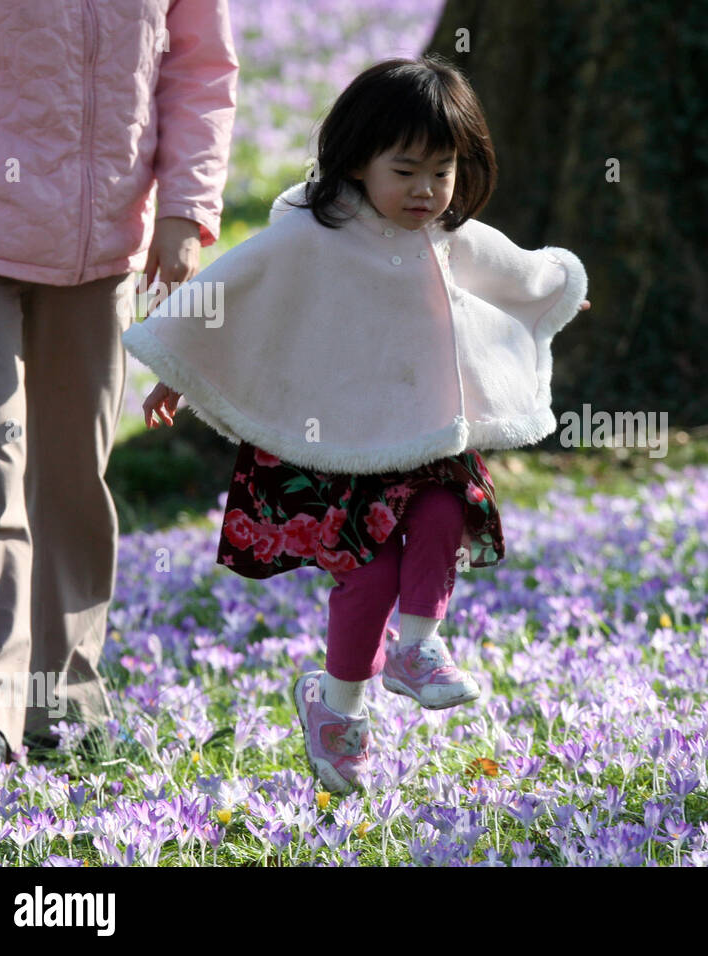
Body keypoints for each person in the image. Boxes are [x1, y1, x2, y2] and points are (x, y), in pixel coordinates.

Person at [125, 55, 590, 793]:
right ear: (356, 161)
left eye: (442, 171)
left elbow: (517, 273)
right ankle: (336, 709)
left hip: (428, 435)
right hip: (335, 446)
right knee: (368, 576)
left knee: (447, 513)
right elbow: (235, 288)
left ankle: (418, 647)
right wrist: (174, 368)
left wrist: (557, 292)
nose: (426, 190)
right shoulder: (313, 234)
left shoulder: (451, 237)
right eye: (405, 170)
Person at [0, 0, 239, 777]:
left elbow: (200, 66)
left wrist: (187, 204)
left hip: (104, 243)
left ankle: (63, 702)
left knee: (74, 477)